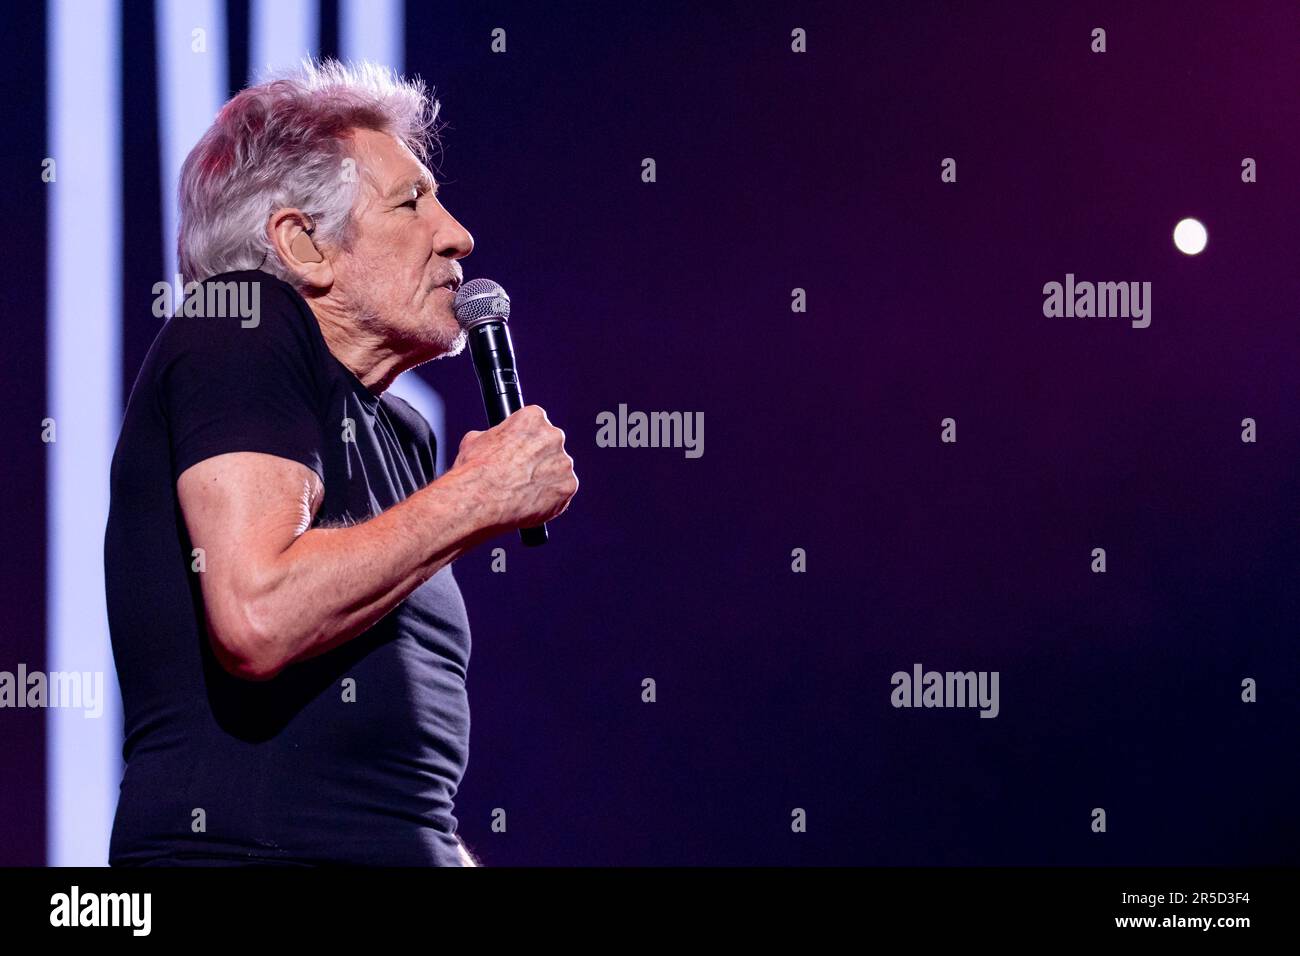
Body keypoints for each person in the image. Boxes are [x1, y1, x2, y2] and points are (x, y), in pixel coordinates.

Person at [104, 59, 577, 866]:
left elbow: (394, 790)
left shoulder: (402, 434)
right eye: (412, 201)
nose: (456, 233)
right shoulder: (242, 324)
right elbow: (258, 613)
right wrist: (477, 496)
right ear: (302, 243)